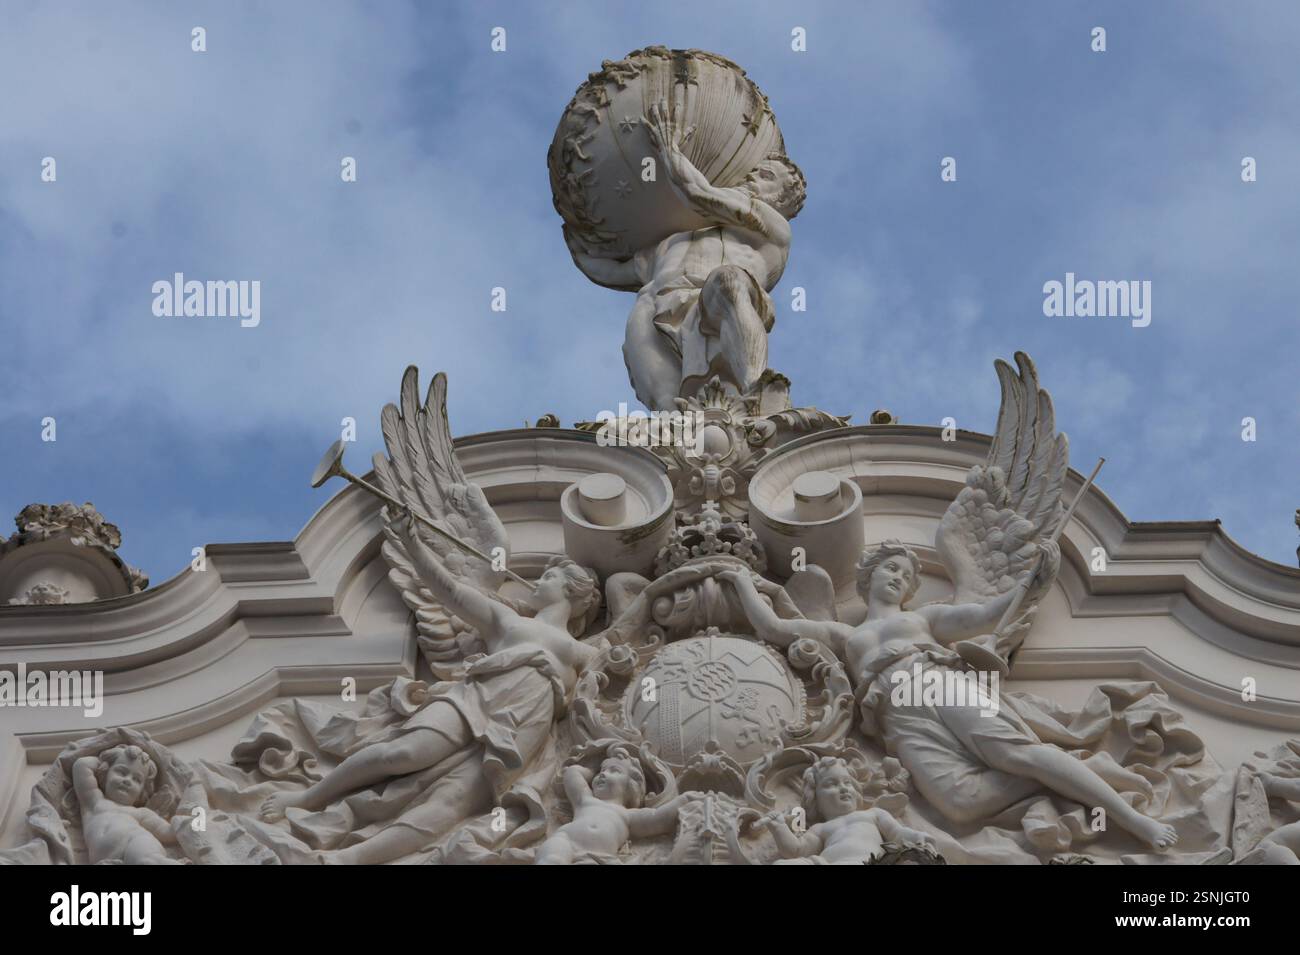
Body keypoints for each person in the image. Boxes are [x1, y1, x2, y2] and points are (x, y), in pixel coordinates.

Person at [721, 540, 1180, 852]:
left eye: (907, 574)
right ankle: (1079, 772)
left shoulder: (925, 620)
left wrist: (1033, 578)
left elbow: (989, 613)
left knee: (1014, 754)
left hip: (935, 680)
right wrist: (741, 579)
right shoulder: (844, 635)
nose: (899, 578)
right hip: (896, 714)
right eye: (890, 568)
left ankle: (1130, 819)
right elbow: (774, 628)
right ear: (868, 577)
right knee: (956, 803)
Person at [566, 100, 805, 411]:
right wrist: (577, 225)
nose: (753, 177)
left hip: (713, 303)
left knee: (728, 280)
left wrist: (668, 147)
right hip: (654, 303)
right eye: (757, 171)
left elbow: (699, 194)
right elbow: (608, 272)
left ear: (783, 198)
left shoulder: (772, 228)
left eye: (766, 177)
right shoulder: (669, 244)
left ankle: (754, 388)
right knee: (670, 410)